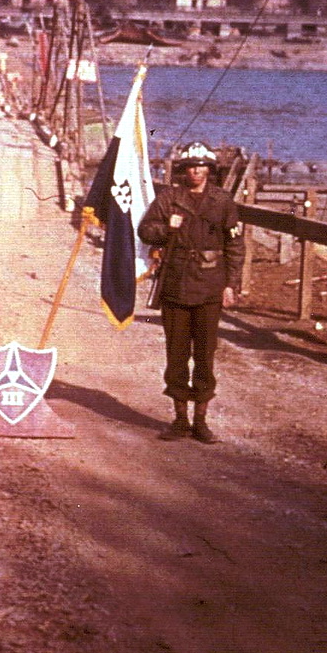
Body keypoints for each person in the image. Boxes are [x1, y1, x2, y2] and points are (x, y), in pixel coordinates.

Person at [136, 142, 244, 443]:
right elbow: (145, 230)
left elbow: (235, 245)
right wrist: (167, 229)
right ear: (184, 170)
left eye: (202, 166)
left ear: (210, 170)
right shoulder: (169, 198)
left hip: (210, 286)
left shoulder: (222, 201)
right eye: (191, 166)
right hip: (176, 284)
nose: (196, 171)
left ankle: (201, 420)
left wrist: (231, 284)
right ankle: (180, 419)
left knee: (206, 355)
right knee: (177, 354)